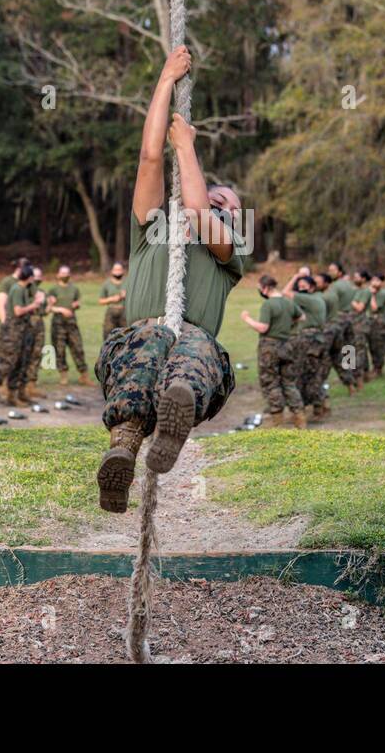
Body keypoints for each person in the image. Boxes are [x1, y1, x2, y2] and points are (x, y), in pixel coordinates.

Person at [94, 45, 249, 513]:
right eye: (217, 195)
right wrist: (164, 82)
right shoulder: (150, 231)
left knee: (192, 350)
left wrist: (187, 147)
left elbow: (202, 213)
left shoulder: (230, 253)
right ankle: (123, 447)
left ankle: (171, 426)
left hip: (195, 349)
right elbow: (148, 160)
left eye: (232, 206)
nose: (223, 204)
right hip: (138, 345)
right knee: (150, 342)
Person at [241, 274, 307, 427]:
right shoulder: (288, 303)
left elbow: (263, 327)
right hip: (287, 346)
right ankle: (300, 419)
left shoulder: (269, 305)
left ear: (265, 288)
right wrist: (287, 323)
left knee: (271, 382)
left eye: (259, 288)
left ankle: (278, 422)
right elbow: (302, 317)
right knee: (289, 382)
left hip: (270, 347)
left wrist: (247, 319)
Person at [0, 264, 44, 406]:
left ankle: (14, 395)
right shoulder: (17, 289)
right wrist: (34, 305)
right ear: (30, 277)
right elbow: (18, 311)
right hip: (12, 331)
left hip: (21, 331)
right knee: (8, 363)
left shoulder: (23, 288)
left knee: (20, 363)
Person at [290, 273, 332, 419]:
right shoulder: (318, 298)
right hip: (319, 338)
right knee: (316, 374)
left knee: (308, 374)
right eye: (299, 286)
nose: (300, 288)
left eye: (304, 286)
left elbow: (285, 293)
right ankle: (321, 406)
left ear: (312, 287)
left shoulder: (307, 298)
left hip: (309, 340)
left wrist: (295, 278)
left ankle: (317, 407)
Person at [50, 265, 91, 386]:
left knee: (77, 348)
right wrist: (61, 309)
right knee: (60, 350)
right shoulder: (53, 290)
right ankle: (63, 376)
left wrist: (76, 304)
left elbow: (78, 302)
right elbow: (49, 307)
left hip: (72, 323)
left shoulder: (74, 289)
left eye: (66, 273)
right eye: (62, 273)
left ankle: (84, 375)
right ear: (58, 275)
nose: (64, 275)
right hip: (58, 324)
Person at [323, 263, 360, 394]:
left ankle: (347, 379)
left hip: (339, 319)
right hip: (350, 317)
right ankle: (356, 378)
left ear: (339, 272)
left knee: (338, 351)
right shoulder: (349, 284)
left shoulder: (334, 287)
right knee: (349, 349)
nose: (329, 272)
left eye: (332, 270)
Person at [20, 266, 49, 399]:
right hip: (27, 323)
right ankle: (18, 384)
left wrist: (50, 305)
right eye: (35, 276)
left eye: (39, 276)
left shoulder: (42, 292)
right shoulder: (23, 291)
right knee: (24, 353)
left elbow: (44, 312)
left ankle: (31, 385)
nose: (37, 279)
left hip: (39, 325)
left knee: (37, 353)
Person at [349, 269, 375, 384]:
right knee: (348, 348)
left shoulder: (365, 292)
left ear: (363, 279)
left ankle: (357, 375)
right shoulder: (354, 290)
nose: (354, 279)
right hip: (350, 324)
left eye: (357, 277)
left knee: (359, 350)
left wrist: (350, 300)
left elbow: (360, 307)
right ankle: (350, 374)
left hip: (360, 324)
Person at [98, 261, 127, 340]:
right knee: (108, 337)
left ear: (123, 271)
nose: (117, 272)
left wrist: (126, 295)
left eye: (119, 270)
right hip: (111, 313)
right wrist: (111, 299)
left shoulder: (128, 282)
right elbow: (100, 301)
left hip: (124, 313)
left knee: (126, 337)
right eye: (116, 270)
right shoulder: (106, 284)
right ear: (112, 271)